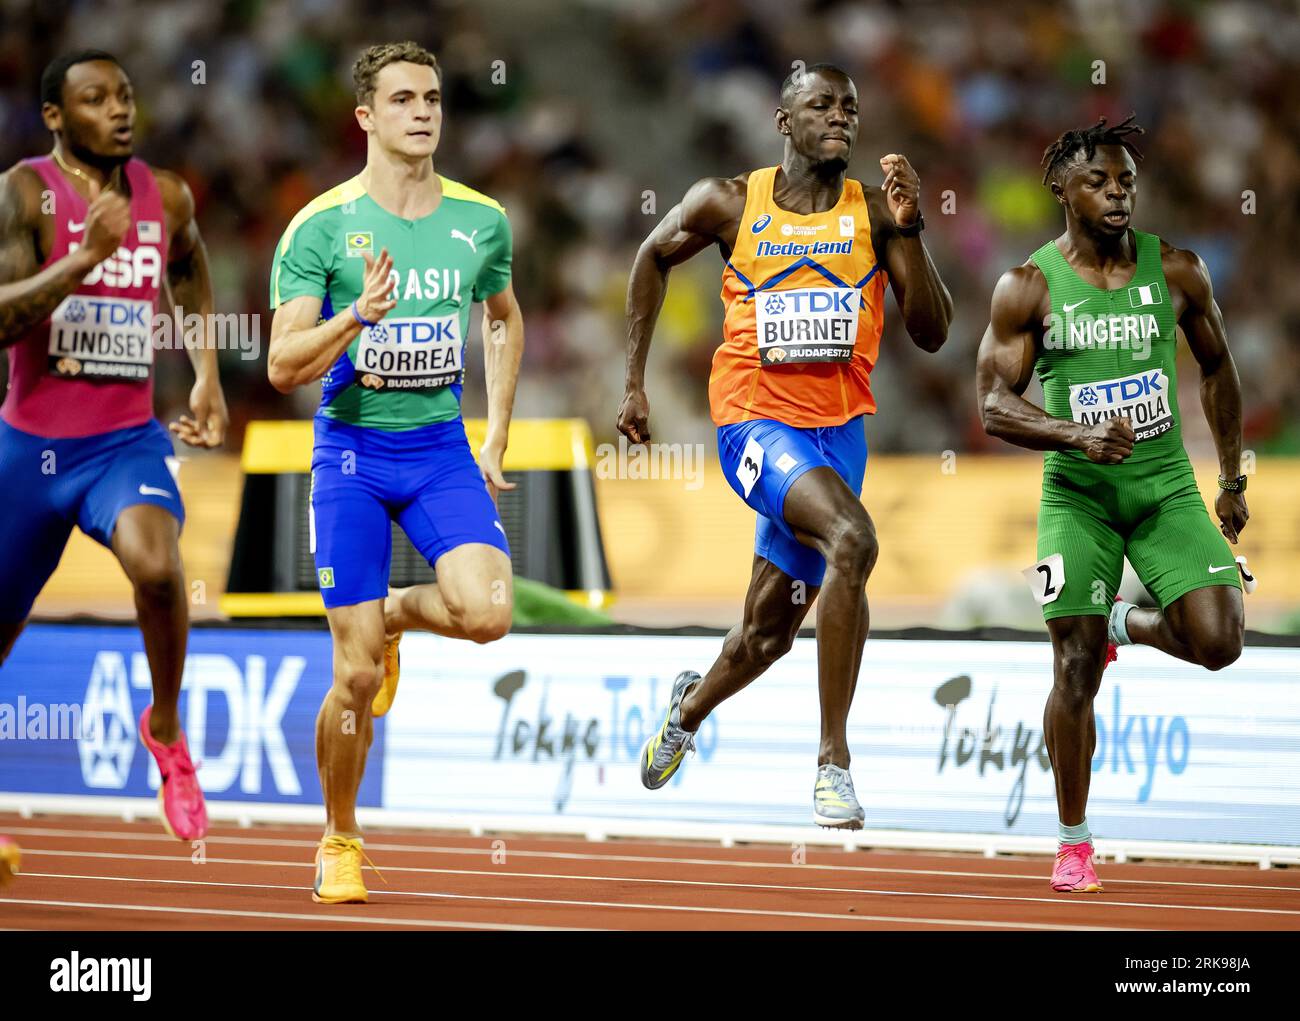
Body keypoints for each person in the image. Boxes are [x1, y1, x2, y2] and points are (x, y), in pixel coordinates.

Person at [619, 64, 951, 828]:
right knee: (854, 538)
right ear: (783, 119)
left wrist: (911, 228)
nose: (840, 117)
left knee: (767, 634)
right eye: (822, 105)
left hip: (840, 434)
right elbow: (650, 258)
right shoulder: (729, 200)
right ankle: (833, 764)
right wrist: (634, 382)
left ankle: (684, 712)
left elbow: (932, 333)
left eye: (851, 108)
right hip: (753, 420)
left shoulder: (873, 211)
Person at [268, 41, 524, 904]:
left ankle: (394, 615)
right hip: (352, 453)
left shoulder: (480, 221)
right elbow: (280, 365)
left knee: (489, 615)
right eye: (405, 99)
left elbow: (503, 318)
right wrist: (354, 316)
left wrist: (494, 435)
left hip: (442, 448)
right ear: (366, 117)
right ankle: (340, 834)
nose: (424, 112)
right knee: (355, 676)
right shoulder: (322, 227)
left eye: (435, 98)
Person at [975, 116, 1249, 893]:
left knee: (1221, 640)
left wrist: (1231, 482)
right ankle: (1073, 842)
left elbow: (1219, 367)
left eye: (1127, 180)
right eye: (1099, 181)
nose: (1118, 193)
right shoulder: (1026, 286)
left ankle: (1126, 620)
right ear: (1060, 189)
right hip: (1077, 496)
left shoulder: (1181, 271)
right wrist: (1075, 433)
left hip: (1164, 486)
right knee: (1073, 664)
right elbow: (992, 404)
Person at [0, 50, 227, 845]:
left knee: (160, 567)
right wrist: (83, 259)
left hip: (123, 443)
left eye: (125, 95)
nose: (120, 110)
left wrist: (205, 372)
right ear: (57, 118)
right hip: (27, 451)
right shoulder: (25, 192)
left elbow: (191, 263)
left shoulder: (163, 194)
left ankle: (166, 730)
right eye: (95, 99)